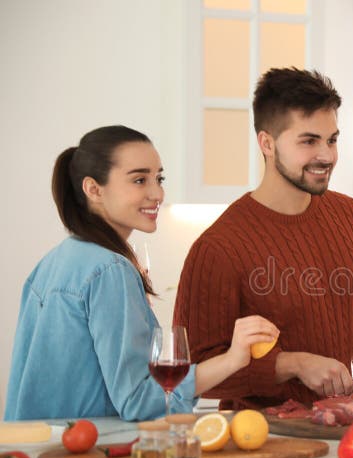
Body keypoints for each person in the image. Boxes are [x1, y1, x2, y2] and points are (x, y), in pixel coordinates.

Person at [5, 125, 278, 421]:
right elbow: (138, 400)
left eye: (158, 178)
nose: (157, 192)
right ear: (93, 189)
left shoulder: (52, 263)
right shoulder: (110, 271)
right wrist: (232, 359)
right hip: (92, 457)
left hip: (35, 455)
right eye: (139, 180)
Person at [173, 68, 353, 410]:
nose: (327, 155)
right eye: (309, 141)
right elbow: (193, 371)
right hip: (262, 443)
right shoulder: (218, 248)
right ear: (267, 143)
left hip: (344, 428)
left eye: (332, 140)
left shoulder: (352, 217)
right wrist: (292, 364)